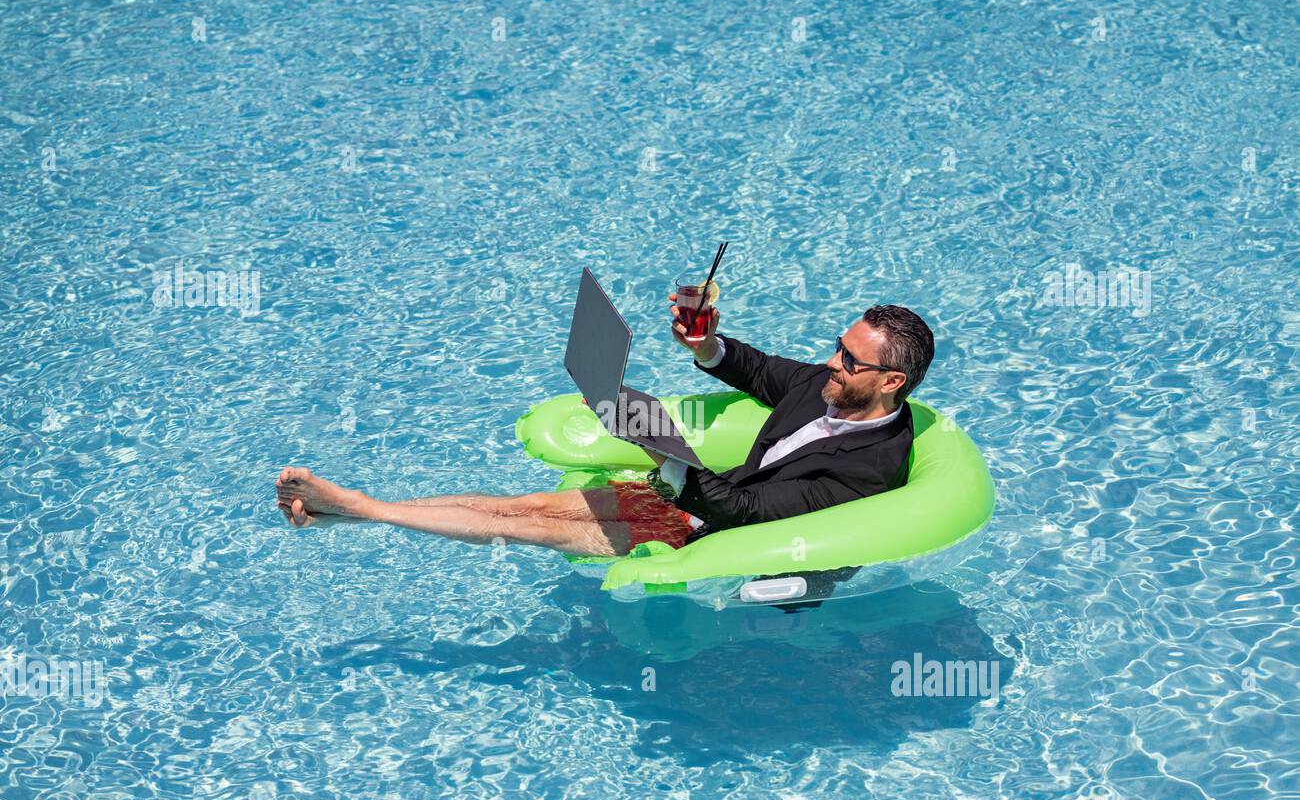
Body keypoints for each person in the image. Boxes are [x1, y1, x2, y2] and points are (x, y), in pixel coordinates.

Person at [274, 295, 935, 558]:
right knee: (519, 504)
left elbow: (752, 509)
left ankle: (356, 507)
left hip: (704, 534)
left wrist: (662, 454)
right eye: (836, 347)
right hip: (695, 494)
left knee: (522, 527)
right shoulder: (827, 389)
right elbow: (760, 370)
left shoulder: (870, 464)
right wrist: (705, 344)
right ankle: (348, 514)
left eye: (849, 359)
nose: (831, 362)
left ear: (891, 382)